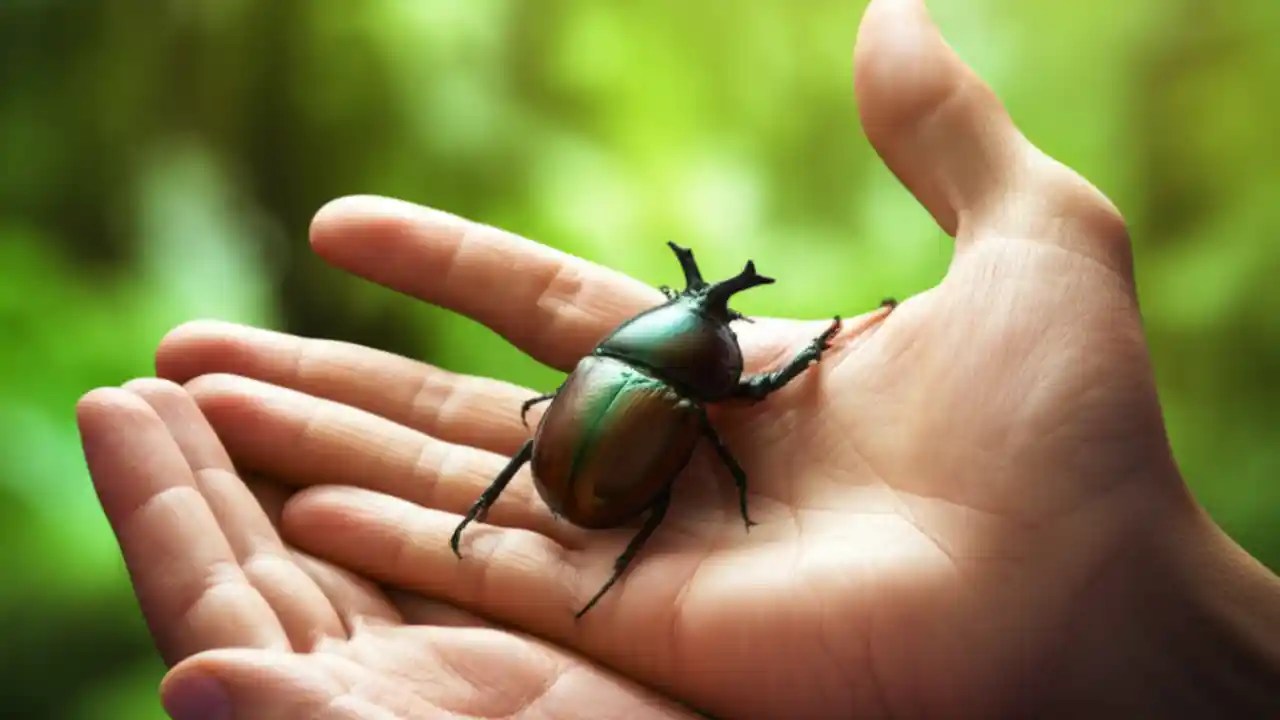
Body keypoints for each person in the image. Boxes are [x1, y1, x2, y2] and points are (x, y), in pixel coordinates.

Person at [76, 0, 1279, 717]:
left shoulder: (625, 367)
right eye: (698, 303)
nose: (707, 305)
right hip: (590, 486)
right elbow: (752, 389)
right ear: (691, 349)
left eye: (699, 304)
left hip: (576, 473)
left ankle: (519, 519)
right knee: (663, 456)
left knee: (569, 448)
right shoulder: (701, 391)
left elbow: (729, 386)